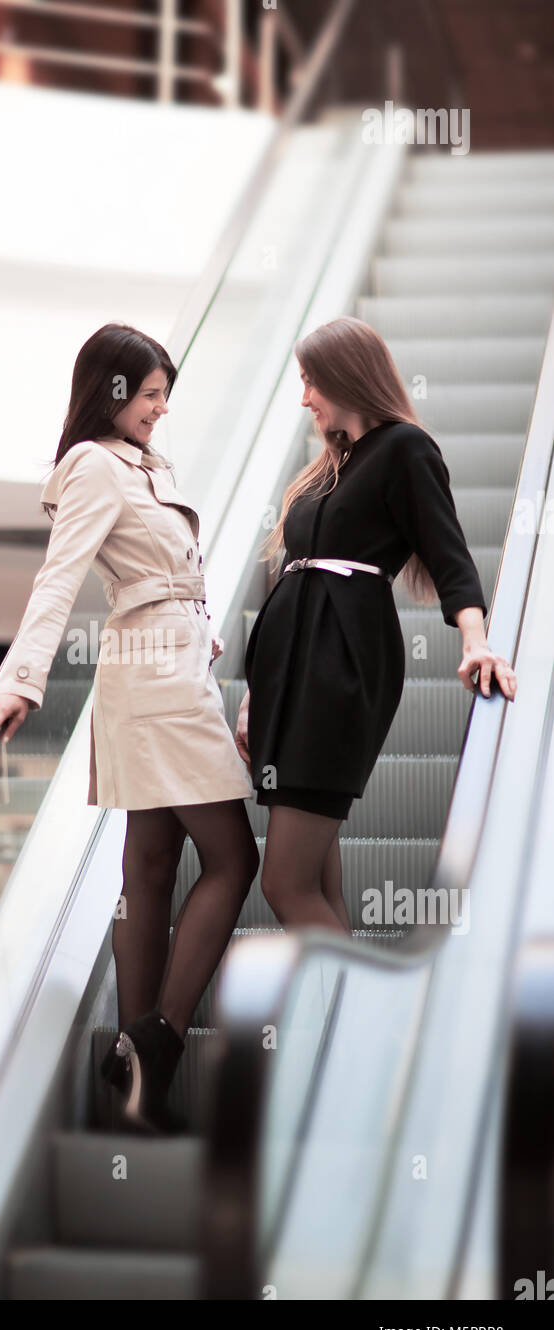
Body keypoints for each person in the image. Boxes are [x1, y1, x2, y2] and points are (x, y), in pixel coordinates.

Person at [0, 323, 258, 1134]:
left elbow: (158, 579)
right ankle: (156, 1042)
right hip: (153, 682)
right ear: (115, 391)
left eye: (167, 396)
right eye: (152, 394)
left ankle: (135, 1082)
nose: (162, 410)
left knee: (154, 863)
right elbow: (58, 582)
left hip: (167, 667)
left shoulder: (147, 466)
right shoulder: (96, 464)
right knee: (234, 857)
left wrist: (198, 626)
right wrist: (20, 681)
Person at [237, 316, 517, 935]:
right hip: (289, 674)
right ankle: (330, 1019)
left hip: (339, 668)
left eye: (311, 382)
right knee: (317, 880)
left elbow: (450, 556)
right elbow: (290, 577)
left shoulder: (404, 448)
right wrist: (257, 694)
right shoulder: (328, 466)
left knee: (284, 882)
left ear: (346, 377)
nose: (304, 398)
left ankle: (356, 1022)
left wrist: (477, 639)